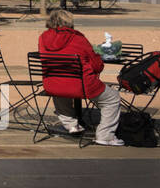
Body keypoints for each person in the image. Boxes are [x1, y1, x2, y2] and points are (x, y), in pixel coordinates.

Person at [38, 9, 124, 146]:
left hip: (53, 84)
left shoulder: (43, 38)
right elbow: (96, 65)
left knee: (60, 89)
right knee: (112, 98)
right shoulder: (78, 38)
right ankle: (105, 135)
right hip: (82, 85)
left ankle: (71, 125)